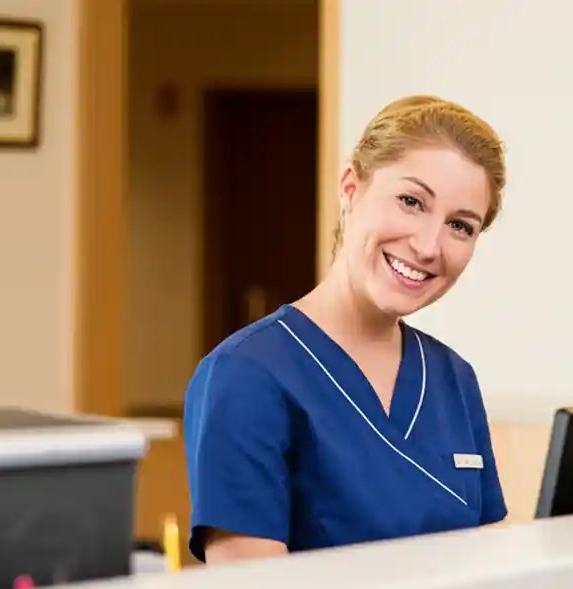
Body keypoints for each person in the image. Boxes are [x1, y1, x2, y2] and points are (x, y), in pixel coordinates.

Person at [184, 95, 509, 564]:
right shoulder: (245, 376)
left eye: (460, 226)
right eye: (411, 201)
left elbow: (490, 573)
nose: (428, 245)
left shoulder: (453, 380)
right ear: (351, 189)